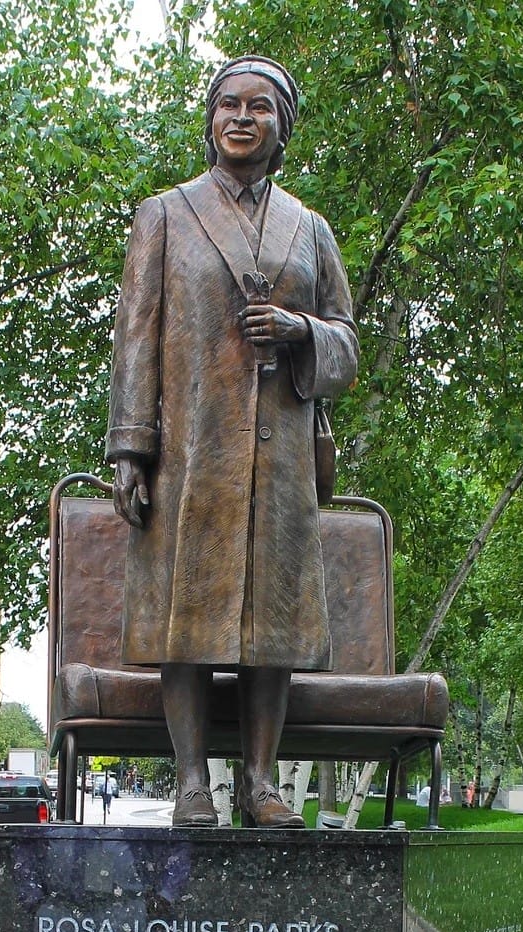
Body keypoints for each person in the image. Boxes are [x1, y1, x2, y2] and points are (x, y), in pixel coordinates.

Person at [107, 55, 359, 829]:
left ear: (283, 129)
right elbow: (136, 337)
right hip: (190, 451)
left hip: (279, 454)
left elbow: (348, 345)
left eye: (259, 107)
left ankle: (260, 781)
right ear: (210, 120)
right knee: (185, 618)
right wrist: (130, 449)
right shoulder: (166, 214)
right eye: (228, 105)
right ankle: (191, 783)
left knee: (271, 622)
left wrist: (299, 329)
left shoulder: (309, 229)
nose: (241, 118)